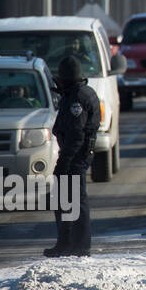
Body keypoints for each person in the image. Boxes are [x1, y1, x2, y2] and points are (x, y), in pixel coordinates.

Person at [45, 56, 100, 258]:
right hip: (77, 154)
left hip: (76, 156)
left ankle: (79, 245)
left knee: (74, 199)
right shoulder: (78, 93)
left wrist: (63, 162)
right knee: (64, 198)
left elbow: (77, 135)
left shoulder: (77, 98)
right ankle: (67, 243)